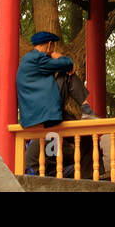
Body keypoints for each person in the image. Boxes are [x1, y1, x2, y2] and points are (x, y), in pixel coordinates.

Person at [17, 30, 73, 176]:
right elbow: (67, 63)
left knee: (51, 145)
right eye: (53, 47)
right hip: (44, 116)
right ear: (49, 45)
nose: (53, 50)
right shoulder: (38, 58)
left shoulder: (28, 59)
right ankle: (86, 107)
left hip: (38, 115)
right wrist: (58, 57)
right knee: (66, 74)